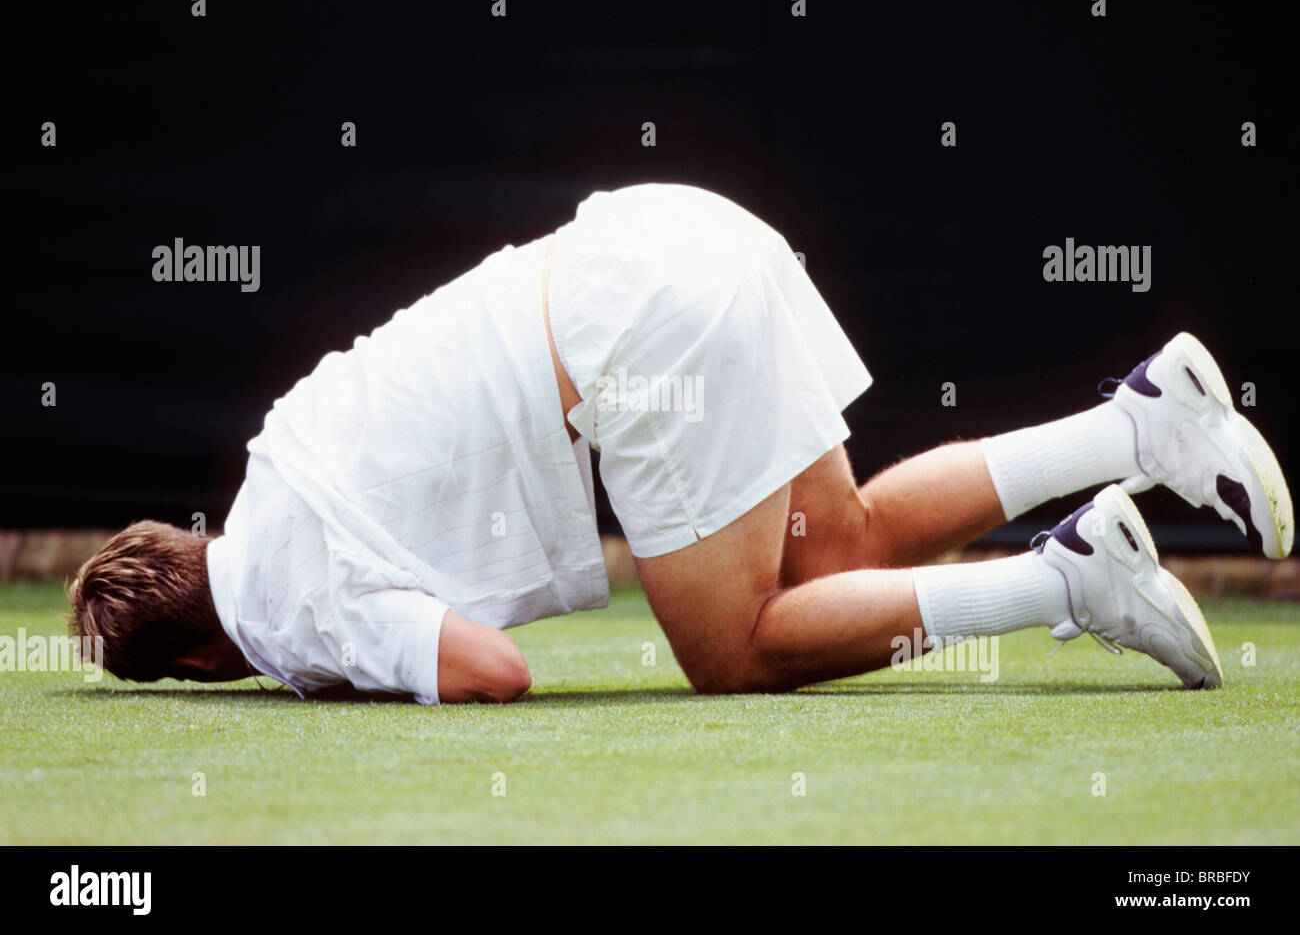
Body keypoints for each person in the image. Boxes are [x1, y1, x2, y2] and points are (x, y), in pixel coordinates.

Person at [68, 183, 1292, 702]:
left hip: (631, 332)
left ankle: (1064, 575)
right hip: (677, 229)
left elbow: (494, 670)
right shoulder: (274, 447)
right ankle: (1137, 420)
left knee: (735, 648)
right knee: (839, 543)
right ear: (191, 538)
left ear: (199, 663)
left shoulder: (284, 616)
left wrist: (340, 673)